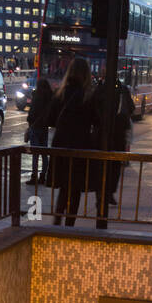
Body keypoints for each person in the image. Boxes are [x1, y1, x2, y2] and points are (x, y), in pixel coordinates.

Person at [48, 55, 98, 227]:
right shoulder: (88, 96)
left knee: (63, 187)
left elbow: (51, 118)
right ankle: (70, 224)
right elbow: (96, 121)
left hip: (61, 145)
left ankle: (57, 221)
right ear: (86, 74)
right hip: (81, 146)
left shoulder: (60, 93)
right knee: (75, 189)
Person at [26, 76, 53, 185]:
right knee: (44, 153)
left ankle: (34, 176)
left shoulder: (37, 96)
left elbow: (32, 113)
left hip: (35, 127)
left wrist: (30, 122)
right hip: (44, 128)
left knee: (35, 154)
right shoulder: (49, 97)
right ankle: (43, 176)